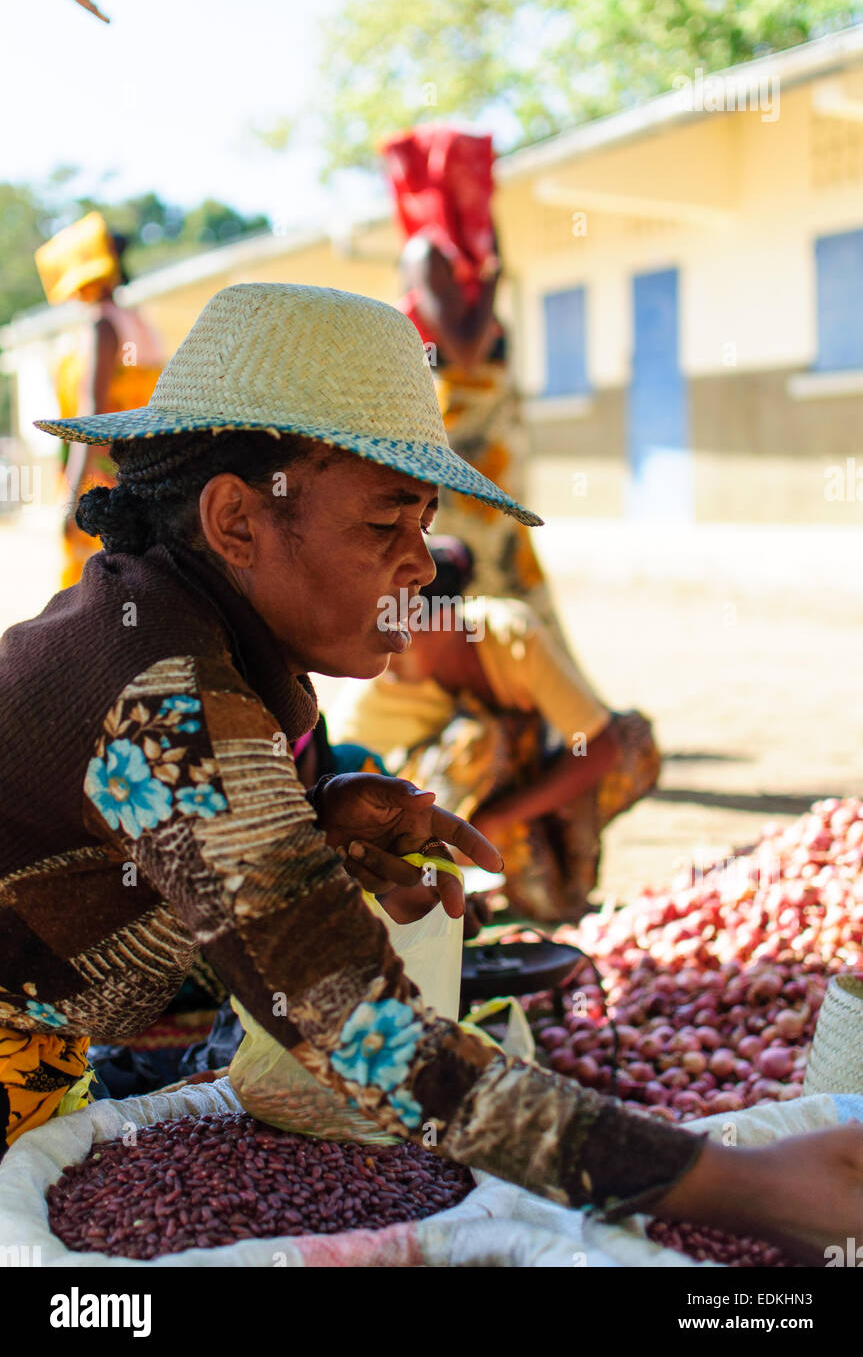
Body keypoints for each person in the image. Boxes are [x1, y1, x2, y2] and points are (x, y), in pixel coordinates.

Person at [1, 283, 861, 1261]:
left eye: (423, 525)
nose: (419, 565)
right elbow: (370, 1041)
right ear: (237, 520)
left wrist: (313, 817)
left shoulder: (178, 630)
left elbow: (132, 831)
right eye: (383, 527)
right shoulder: (164, 697)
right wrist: (750, 1181)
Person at [330, 538, 660, 922]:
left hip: (526, 795)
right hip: (460, 817)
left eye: (401, 626)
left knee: (633, 741)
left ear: (444, 619)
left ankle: (551, 858)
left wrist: (501, 818)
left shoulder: (510, 635)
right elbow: (338, 767)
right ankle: (457, 879)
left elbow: (599, 746)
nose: (387, 643)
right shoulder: (385, 677)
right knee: (476, 741)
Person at [381, 125, 567, 649]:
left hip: (491, 442)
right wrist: (491, 278)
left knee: (505, 557)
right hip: (464, 442)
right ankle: (475, 676)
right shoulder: (426, 253)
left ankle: (525, 681)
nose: (483, 194)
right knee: (473, 561)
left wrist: (490, 257)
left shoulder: (460, 252)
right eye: (472, 180)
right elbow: (464, 350)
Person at [35, 211, 164, 588]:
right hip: (142, 477)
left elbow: (92, 419)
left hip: (101, 485)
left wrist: (73, 500)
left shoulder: (99, 327)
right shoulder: (138, 322)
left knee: (88, 595)